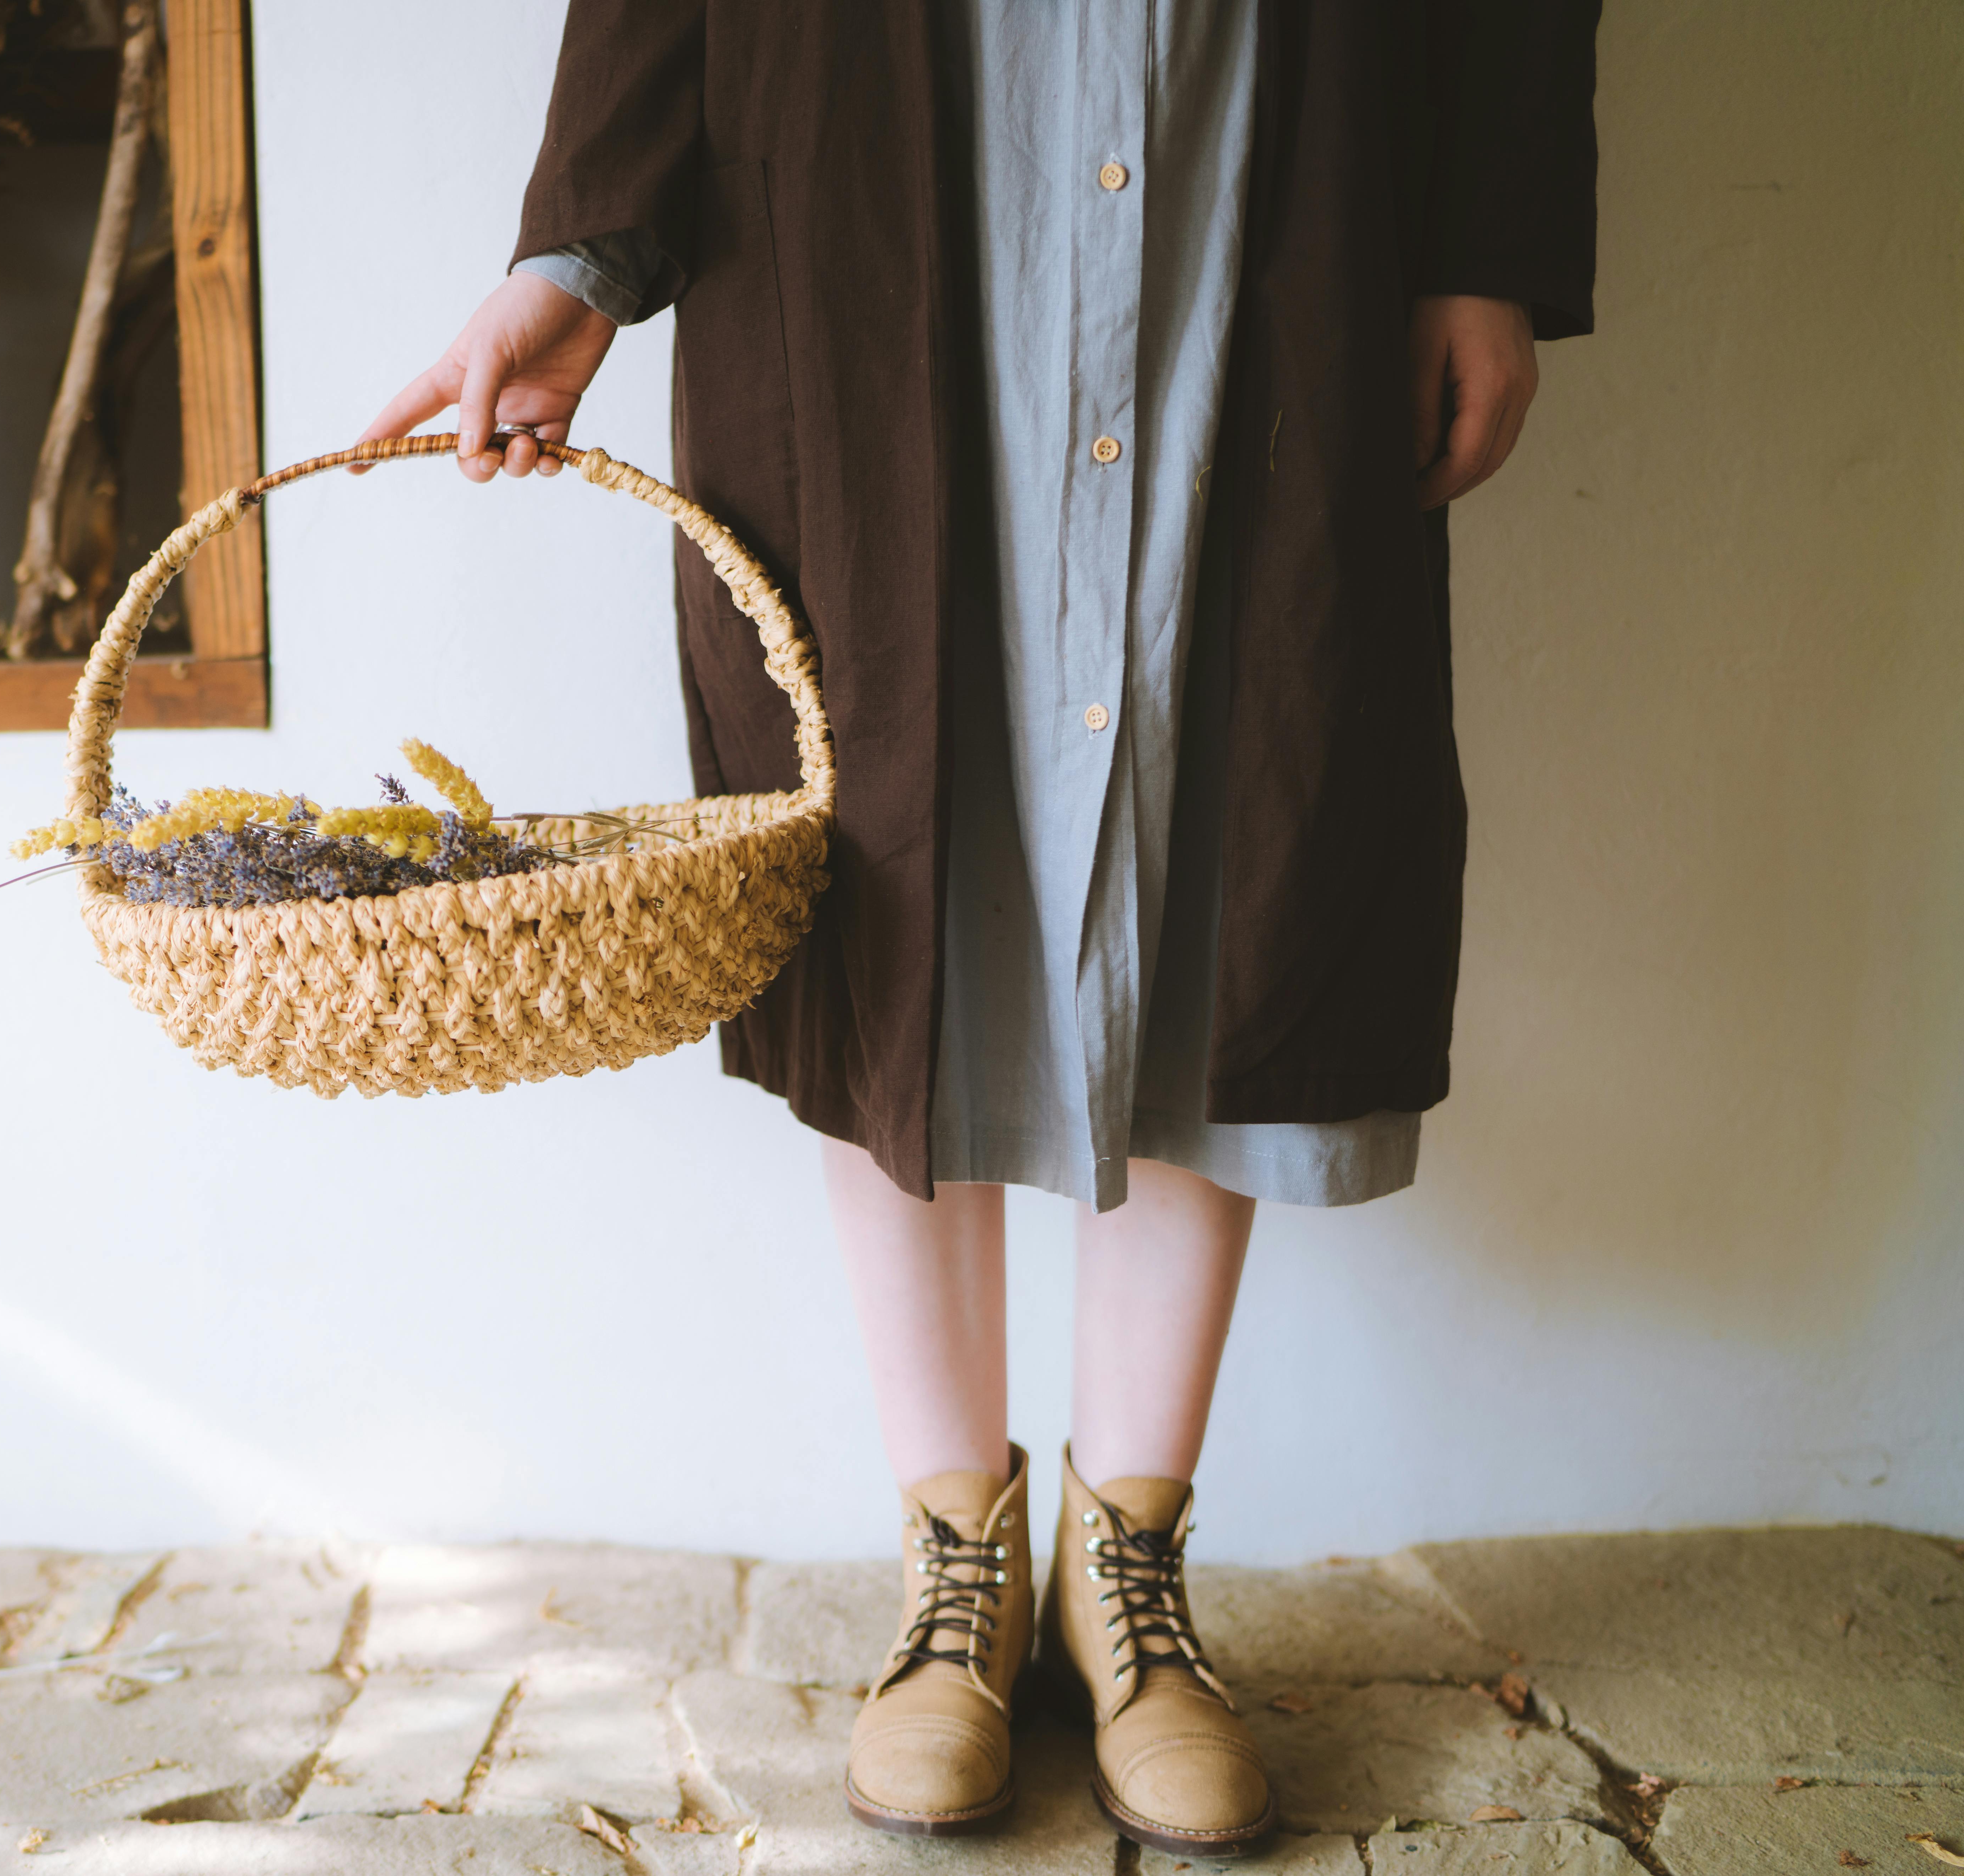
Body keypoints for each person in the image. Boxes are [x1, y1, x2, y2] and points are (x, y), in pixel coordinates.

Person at [362, 0, 1596, 1853]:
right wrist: (581, 255)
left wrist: (1488, 238)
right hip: (867, 121)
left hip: (1275, 111)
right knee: (884, 831)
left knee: (1235, 782)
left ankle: (1133, 1575)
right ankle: (959, 1565)